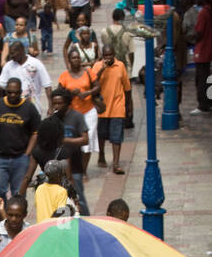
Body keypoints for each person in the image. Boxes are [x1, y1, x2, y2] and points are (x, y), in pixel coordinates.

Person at [24, 88, 89, 212]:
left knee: (78, 198)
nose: (57, 106)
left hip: (74, 164)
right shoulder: (51, 120)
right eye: (54, 103)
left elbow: (85, 139)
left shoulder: (77, 117)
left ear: (67, 103)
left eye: (60, 103)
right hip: (54, 168)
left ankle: (83, 221)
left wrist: (63, 140)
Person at [0, 77, 40, 200]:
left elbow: (36, 133)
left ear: (21, 92)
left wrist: (27, 154)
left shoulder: (29, 108)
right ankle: (2, 216)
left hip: (20, 157)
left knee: (18, 193)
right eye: (9, 92)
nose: (12, 95)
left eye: (16, 92)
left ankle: (15, 217)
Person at [58, 45, 102, 168]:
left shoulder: (88, 72)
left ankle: (83, 170)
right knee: (71, 140)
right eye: (73, 58)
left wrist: (88, 93)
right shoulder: (64, 76)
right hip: (72, 113)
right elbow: (58, 93)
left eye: (78, 58)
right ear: (69, 60)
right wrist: (70, 94)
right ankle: (72, 168)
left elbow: (97, 86)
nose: (76, 60)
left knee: (87, 141)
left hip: (88, 111)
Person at [95, 44, 131, 175]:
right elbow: (92, 82)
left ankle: (116, 163)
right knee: (101, 134)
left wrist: (128, 107)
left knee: (116, 136)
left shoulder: (120, 66)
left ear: (114, 54)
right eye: (105, 55)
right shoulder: (97, 66)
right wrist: (101, 70)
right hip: (102, 107)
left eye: (110, 55)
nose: (108, 58)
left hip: (117, 106)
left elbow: (127, 88)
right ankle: (101, 155)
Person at [0, 41, 52, 113]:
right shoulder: (8, 66)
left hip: (33, 108)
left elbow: (47, 85)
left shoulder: (36, 63)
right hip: (14, 110)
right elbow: (0, 85)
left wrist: (51, 107)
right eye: (10, 54)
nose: (11, 56)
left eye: (13, 53)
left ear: (21, 51)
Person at [190, 0, 212, 115]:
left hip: (203, 50)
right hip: (209, 49)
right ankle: (210, 101)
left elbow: (199, 32)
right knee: (207, 77)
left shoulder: (203, 13)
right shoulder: (209, 11)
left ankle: (203, 105)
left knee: (201, 79)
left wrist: (190, 37)